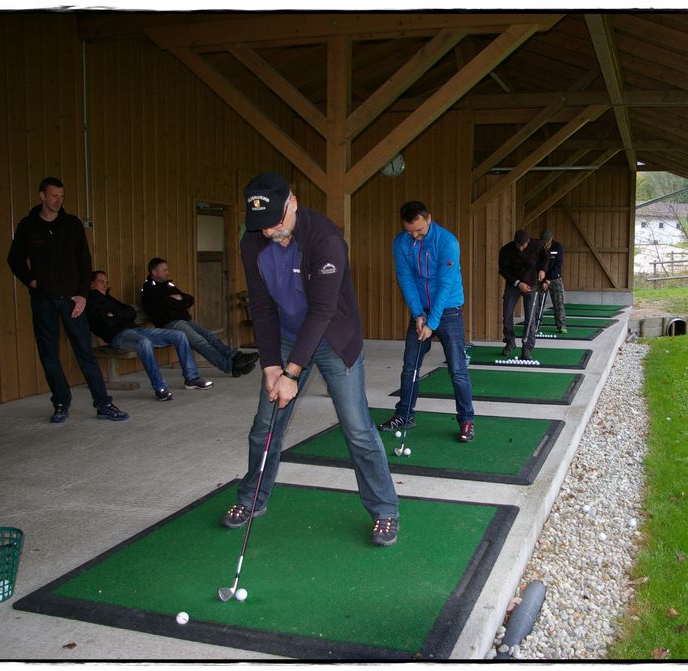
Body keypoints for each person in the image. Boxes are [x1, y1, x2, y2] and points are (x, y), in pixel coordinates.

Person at [226, 172, 400, 547]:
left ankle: (385, 509)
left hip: (334, 338)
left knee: (357, 427)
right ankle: (251, 497)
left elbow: (321, 311)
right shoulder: (252, 241)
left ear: (293, 202)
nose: (270, 231)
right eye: (262, 225)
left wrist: (292, 373)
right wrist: (271, 364)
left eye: (276, 221)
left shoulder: (326, 239)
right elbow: (261, 305)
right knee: (264, 425)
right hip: (287, 339)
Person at [7, 177, 129, 423]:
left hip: (73, 300)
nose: (58, 201)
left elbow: (85, 262)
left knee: (85, 351)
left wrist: (83, 296)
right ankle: (61, 402)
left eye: (61, 196)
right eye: (53, 196)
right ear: (42, 196)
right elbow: (15, 259)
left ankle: (104, 404)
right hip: (43, 300)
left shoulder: (71, 224)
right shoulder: (28, 226)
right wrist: (32, 282)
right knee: (48, 353)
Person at [378, 200, 475, 442]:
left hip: (449, 309)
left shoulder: (447, 242)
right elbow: (406, 280)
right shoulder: (401, 242)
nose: (415, 235)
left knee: (457, 369)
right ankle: (404, 415)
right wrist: (418, 315)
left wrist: (432, 322)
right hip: (420, 311)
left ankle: (466, 421)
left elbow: (445, 285)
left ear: (429, 219)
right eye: (409, 230)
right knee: (410, 367)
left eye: (419, 230)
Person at [87, 271, 214, 401]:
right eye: (101, 281)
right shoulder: (90, 302)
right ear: (91, 284)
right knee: (145, 343)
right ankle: (160, 388)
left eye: (106, 282)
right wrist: (118, 314)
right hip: (118, 336)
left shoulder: (109, 299)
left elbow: (131, 313)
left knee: (179, 335)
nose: (105, 285)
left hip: (136, 330)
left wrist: (115, 314)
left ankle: (192, 378)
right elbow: (106, 323)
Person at [141, 258, 259, 377]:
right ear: (154, 272)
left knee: (209, 336)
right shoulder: (149, 288)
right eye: (164, 270)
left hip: (184, 319)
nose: (167, 272)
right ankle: (231, 366)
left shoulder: (168, 284)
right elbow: (167, 304)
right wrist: (178, 301)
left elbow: (189, 299)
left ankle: (235, 356)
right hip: (170, 323)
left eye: (167, 269)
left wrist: (179, 299)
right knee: (200, 342)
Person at [498, 229, 548, 361]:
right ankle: (510, 341)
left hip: (532, 283)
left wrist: (543, 270)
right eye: (518, 245)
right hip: (513, 283)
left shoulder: (537, 245)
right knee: (507, 312)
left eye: (523, 245)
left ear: (528, 241)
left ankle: (527, 348)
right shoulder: (506, 250)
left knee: (530, 316)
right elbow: (503, 270)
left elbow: (546, 257)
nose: (520, 248)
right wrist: (518, 283)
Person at [540, 229, 567, 334]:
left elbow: (558, 266)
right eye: (544, 241)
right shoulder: (539, 247)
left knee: (558, 302)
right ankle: (536, 325)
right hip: (541, 278)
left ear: (551, 238)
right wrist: (542, 279)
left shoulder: (558, 247)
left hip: (554, 278)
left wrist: (549, 280)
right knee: (538, 302)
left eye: (547, 241)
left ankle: (561, 325)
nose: (545, 243)